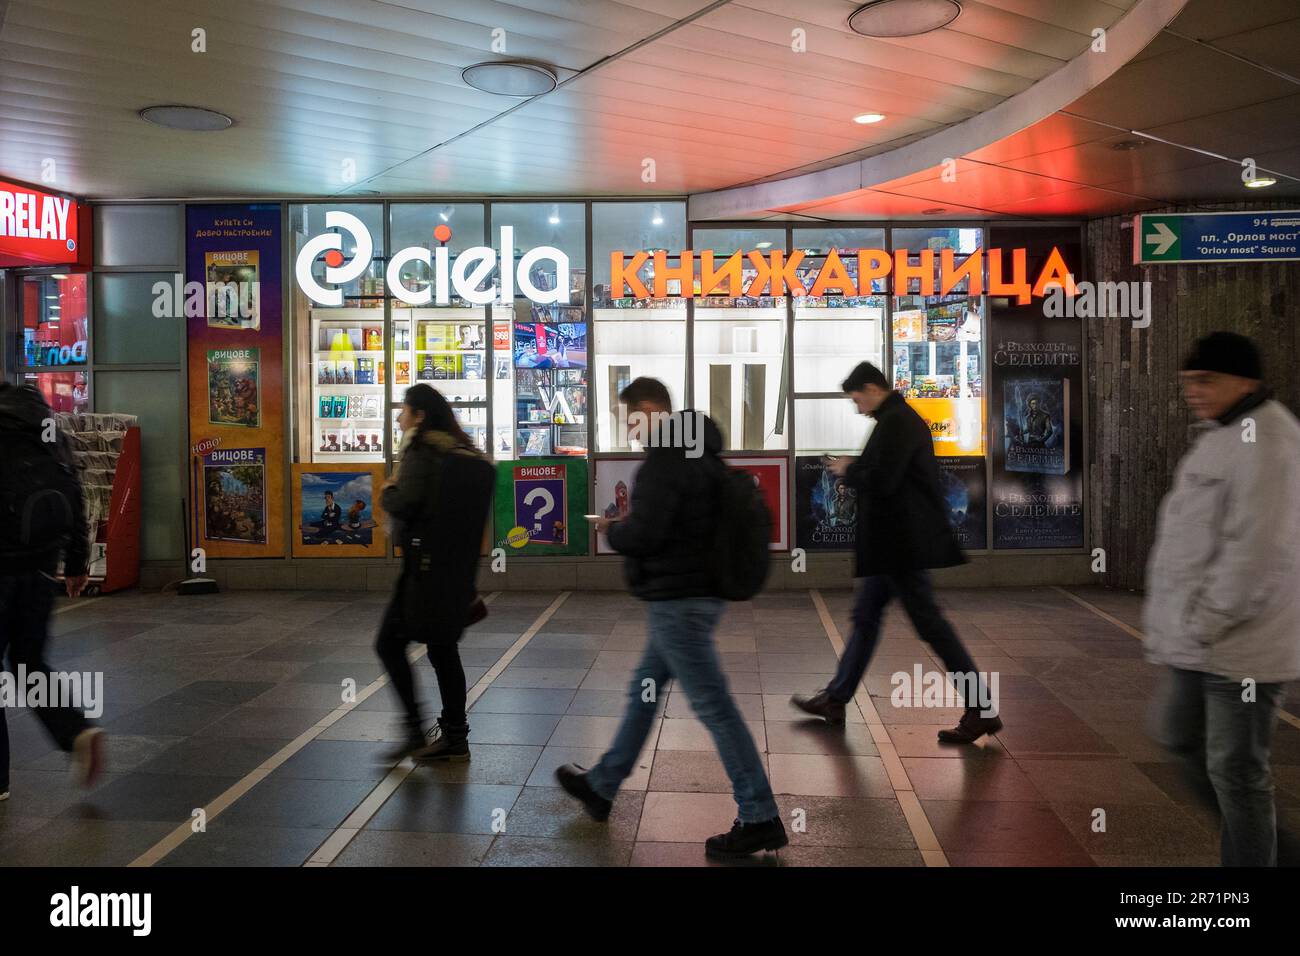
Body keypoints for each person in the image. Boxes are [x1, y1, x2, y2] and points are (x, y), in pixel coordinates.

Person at [556, 377, 787, 859]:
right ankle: (602, 785)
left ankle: (760, 815)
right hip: (695, 595)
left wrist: (614, 530)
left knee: (714, 708)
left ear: (648, 409)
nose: (629, 428)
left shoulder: (666, 459)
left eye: (629, 418)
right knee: (643, 691)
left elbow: (648, 533)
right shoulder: (700, 452)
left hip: (678, 600)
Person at [1144, 332, 1300, 867]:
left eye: (1205, 380)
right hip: (1202, 638)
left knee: (1236, 770)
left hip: (1244, 646)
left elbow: (1257, 551)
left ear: (1245, 381)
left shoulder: (1268, 442)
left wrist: (1207, 619)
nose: (1193, 391)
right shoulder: (1225, 433)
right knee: (1178, 737)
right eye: (1188, 381)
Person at [792, 361, 1000, 743]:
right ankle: (835, 698)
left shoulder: (898, 422)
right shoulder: (894, 420)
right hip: (892, 547)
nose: (856, 407)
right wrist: (855, 467)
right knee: (867, 619)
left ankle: (982, 708)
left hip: (901, 547)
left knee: (930, 627)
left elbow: (884, 480)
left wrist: (847, 471)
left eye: (857, 398)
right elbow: (888, 472)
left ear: (872, 388)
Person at [374, 384, 495, 762]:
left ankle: (415, 728)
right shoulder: (463, 452)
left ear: (420, 415)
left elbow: (406, 502)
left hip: (422, 572)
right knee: (443, 649)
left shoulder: (423, 450)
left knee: (389, 643)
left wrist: (386, 492)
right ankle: (454, 735)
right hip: (453, 573)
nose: (399, 418)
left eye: (404, 411)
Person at [0, 383, 105, 801]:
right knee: (28, 660)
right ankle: (77, 731)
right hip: (41, 561)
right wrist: (77, 563)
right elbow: (74, 492)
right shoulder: (46, 427)